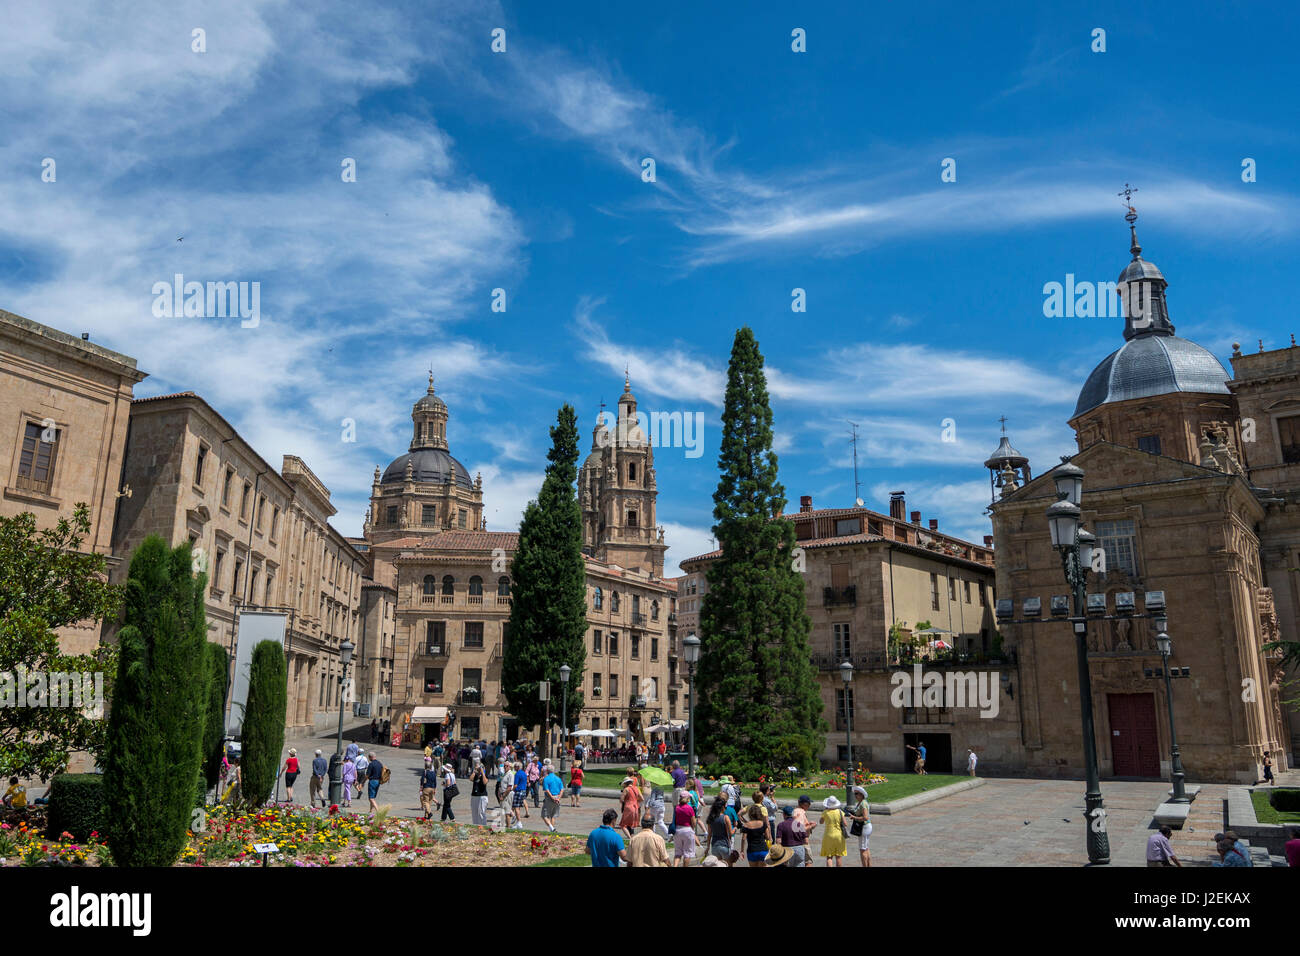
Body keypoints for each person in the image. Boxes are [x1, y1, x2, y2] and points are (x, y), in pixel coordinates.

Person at [672, 792, 700, 866]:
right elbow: (693, 823)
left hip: (677, 830)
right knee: (687, 853)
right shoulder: (689, 808)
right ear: (688, 799)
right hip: (687, 830)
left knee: (678, 853)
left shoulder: (676, 808)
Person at [847, 785, 872, 867]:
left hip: (864, 827)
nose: (855, 796)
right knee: (866, 848)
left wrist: (854, 817)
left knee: (863, 849)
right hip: (866, 827)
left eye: (856, 794)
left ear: (861, 794)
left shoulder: (863, 804)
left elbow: (865, 817)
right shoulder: (861, 803)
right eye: (855, 794)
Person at [820, 794, 848, 866]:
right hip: (839, 835)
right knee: (838, 857)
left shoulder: (825, 812)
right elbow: (845, 824)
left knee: (829, 857)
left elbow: (821, 822)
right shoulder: (840, 812)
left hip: (828, 835)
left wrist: (824, 813)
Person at [706, 795, 734, 863]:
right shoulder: (725, 818)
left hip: (714, 846)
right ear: (722, 807)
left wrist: (708, 847)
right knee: (727, 864)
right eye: (725, 806)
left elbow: (709, 834)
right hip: (724, 845)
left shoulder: (711, 818)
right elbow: (731, 833)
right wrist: (735, 828)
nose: (726, 808)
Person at [541, 763, 564, 832]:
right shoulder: (558, 779)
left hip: (549, 798)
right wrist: (558, 798)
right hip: (557, 797)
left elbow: (547, 790)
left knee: (544, 815)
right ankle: (552, 830)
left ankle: (552, 828)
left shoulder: (546, 779)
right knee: (553, 815)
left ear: (547, 771)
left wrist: (552, 797)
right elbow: (562, 789)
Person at [619, 774, 643, 838]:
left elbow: (621, 799)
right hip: (635, 808)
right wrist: (635, 800)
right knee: (631, 825)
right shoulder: (636, 788)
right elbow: (642, 799)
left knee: (623, 825)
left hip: (628, 807)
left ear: (625, 783)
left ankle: (630, 838)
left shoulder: (626, 789)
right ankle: (632, 837)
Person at [470, 759, 490, 826]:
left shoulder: (484, 775)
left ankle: (483, 826)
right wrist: (474, 771)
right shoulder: (475, 775)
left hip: (482, 796)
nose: (478, 769)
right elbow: (471, 779)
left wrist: (482, 772)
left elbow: (485, 782)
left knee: (481, 813)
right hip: (474, 796)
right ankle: (475, 826)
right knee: (474, 813)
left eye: (479, 768)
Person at [511, 761, 529, 827]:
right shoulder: (524, 773)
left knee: (516, 807)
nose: (514, 768)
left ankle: (519, 822)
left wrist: (511, 790)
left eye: (515, 766)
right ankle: (518, 822)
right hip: (523, 790)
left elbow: (515, 785)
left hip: (518, 791)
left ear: (517, 767)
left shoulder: (517, 774)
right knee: (518, 807)